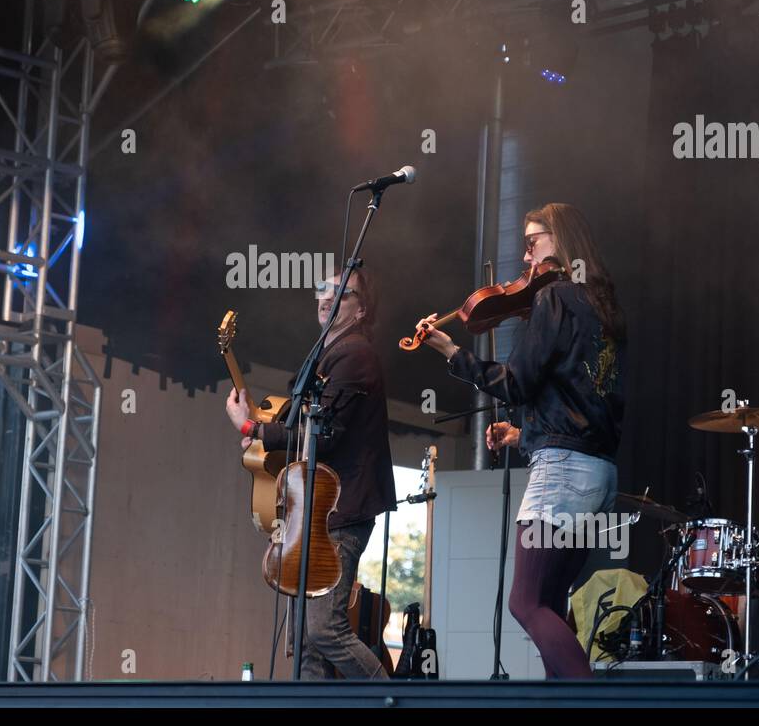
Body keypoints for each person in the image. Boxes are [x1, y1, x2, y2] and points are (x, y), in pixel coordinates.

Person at [417, 202, 626, 678]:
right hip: (598, 475)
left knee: (526, 602)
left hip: (563, 476)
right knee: (550, 602)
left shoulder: (553, 299)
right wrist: (524, 433)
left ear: (562, 242)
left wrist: (452, 352)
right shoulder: (602, 307)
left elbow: (516, 382)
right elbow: (579, 397)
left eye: (533, 242)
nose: (525, 256)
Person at [225, 269, 396, 679]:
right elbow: (308, 434)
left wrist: (252, 428)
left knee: (324, 630)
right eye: (324, 290)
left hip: (341, 508)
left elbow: (326, 432)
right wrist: (267, 439)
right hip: (318, 508)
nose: (327, 298)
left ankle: (396, 701)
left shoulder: (354, 354)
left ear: (361, 309)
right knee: (304, 641)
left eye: (342, 293)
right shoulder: (327, 354)